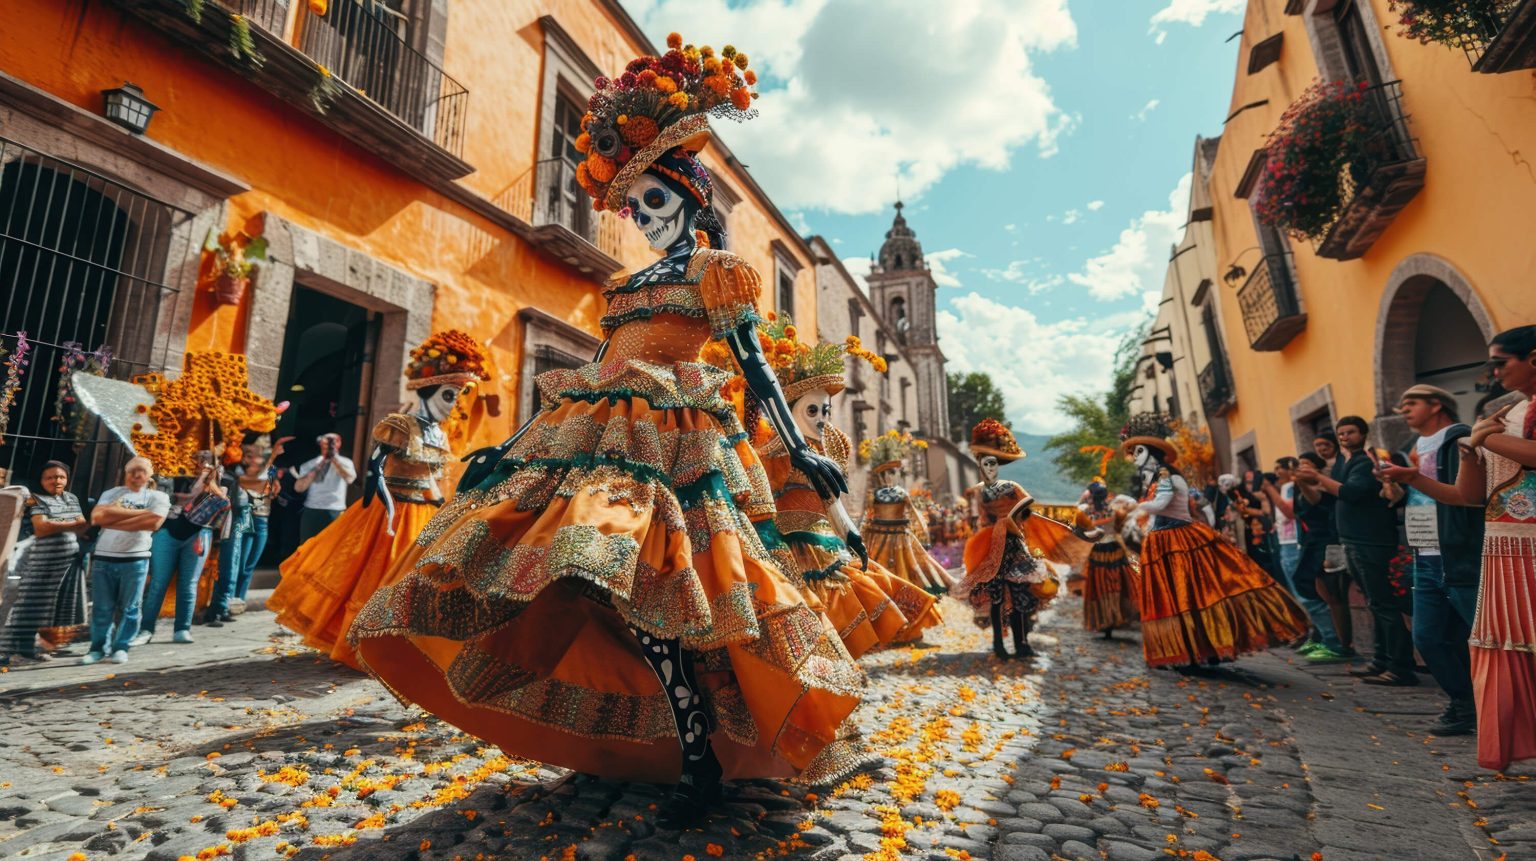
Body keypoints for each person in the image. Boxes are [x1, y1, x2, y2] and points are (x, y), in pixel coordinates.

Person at [350, 41, 862, 827]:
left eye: (656, 205)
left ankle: (698, 751)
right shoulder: (626, 287)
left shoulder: (717, 272)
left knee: (680, 590)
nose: (645, 224)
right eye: (636, 211)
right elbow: (595, 364)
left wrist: (798, 447)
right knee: (587, 568)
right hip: (593, 439)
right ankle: (670, 737)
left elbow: (755, 365)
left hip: (677, 447)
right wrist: (515, 445)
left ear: (692, 200)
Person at [267, 331, 490, 669]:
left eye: (457, 396)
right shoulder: (399, 425)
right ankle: (363, 645)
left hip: (422, 513)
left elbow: (431, 477)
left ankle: (398, 647)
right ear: (429, 391)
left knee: (414, 582)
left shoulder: (438, 435)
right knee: (378, 579)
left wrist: (445, 506)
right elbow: (376, 470)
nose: (454, 404)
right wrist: (386, 511)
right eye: (449, 395)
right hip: (391, 512)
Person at [742, 321, 940, 658]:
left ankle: (833, 669)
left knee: (841, 605)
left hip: (826, 542)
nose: (820, 418)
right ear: (789, 413)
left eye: (825, 410)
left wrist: (850, 534)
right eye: (811, 410)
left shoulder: (828, 450)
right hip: (784, 543)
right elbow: (759, 498)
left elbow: (831, 500)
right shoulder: (773, 454)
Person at [1121, 414, 1309, 668]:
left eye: (1139, 451)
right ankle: (1187, 650)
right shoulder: (1155, 480)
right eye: (1134, 452)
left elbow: (1164, 505)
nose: (1136, 457)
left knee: (1194, 596)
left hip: (1181, 540)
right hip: (1161, 543)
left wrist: (1135, 506)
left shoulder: (1169, 477)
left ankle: (1207, 648)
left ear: (1153, 452)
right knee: (1175, 598)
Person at [1448, 326, 1536, 771]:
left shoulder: (1499, 424)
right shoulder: (1507, 414)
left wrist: (1484, 438)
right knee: (1509, 649)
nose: (1494, 371)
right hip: (1503, 547)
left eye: (1501, 361)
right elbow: (1469, 495)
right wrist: (1470, 450)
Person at [1378, 384, 1483, 735]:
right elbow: (1413, 496)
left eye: (1412, 403)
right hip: (1424, 553)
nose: (1403, 409)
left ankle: (1499, 707)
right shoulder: (1411, 448)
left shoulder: (1458, 439)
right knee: (1427, 638)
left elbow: (1469, 495)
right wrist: (1394, 489)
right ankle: (1464, 703)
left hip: (1460, 553)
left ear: (1436, 404)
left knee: (1484, 637)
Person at [955, 420, 1092, 659]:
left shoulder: (1012, 487)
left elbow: (1028, 514)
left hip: (1013, 546)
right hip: (990, 548)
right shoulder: (977, 491)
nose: (989, 468)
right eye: (985, 464)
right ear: (979, 465)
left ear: (998, 465)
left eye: (993, 464)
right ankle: (999, 644)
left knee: (1021, 594)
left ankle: (1022, 643)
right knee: (996, 598)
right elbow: (978, 520)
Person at [1300, 416, 1416, 686]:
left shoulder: (1365, 462)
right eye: (1340, 433)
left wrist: (1317, 476)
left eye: (1350, 432)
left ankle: (1400, 665)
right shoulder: (1347, 462)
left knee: (1383, 604)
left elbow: (1350, 493)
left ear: (1363, 434)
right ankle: (1380, 659)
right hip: (1353, 539)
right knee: (1374, 604)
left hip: (1371, 540)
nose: (1344, 437)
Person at [81, 457, 169, 665]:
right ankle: (98, 648)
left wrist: (115, 518)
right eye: (132, 471)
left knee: (131, 608)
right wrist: (141, 516)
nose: (137, 475)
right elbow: (98, 518)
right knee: (102, 607)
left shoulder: (158, 496)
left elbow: (154, 522)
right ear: (125, 473)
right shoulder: (111, 494)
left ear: (150, 474)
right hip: (104, 556)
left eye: (141, 471)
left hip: (135, 558)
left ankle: (121, 646)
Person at [0, 461, 88, 663]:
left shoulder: (71, 499)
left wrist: (59, 524)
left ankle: (28, 646)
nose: (56, 480)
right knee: (23, 603)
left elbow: (82, 526)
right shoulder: (37, 499)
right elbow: (41, 528)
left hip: (63, 560)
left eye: (61, 477)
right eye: (50, 477)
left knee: (45, 607)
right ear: (42, 480)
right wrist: (70, 523)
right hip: (38, 558)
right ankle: (4, 648)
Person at [135, 451, 224, 646]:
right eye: (197, 455)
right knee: (158, 582)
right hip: (166, 531)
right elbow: (163, 497)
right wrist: (189, 496)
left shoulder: (215, 472)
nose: (200, 460)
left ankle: (182, 628)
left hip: (199, 533)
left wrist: (203, 478)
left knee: (189, 583)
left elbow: (216, 496)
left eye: (205, 457)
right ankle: (146, 629)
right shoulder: (167, 468)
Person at [862, 433, 954, 595]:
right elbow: (867, 515)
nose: (889, 477)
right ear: (881, 475)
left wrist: (922, 535)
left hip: (900, 536)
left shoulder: (901, 493)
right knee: (879, 567)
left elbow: (913, 513)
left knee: (907, 566)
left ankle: (908, 593)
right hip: (877, 536)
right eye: (886, 473)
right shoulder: (874, 494)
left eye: (892, 472)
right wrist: (862, 535)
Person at [1288, 452, 1352, 663]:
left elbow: (1317, 503)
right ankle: (1325, 637)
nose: (1302, 468)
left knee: (1330, 591)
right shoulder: (1301, 488)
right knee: (1313, 587)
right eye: (1300, 465)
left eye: (1307, 465)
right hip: (1312, 542)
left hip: (1329, 542)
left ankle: (1336, 642)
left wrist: (1304, 482)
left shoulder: (1325, 485)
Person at [1077, 481, 1140, 638]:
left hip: (1097, 552)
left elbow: (1082, 532)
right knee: (1116, 584)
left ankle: (1103, 621)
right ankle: (1114, 617)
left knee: (1099, 586)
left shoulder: (1086, 513)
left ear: (1091, 496)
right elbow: (1119, 528)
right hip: (1115, 550)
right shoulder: (1114, 511)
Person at [232, 436, 287, 610]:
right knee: (240, 563)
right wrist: (273, 456)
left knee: (250, 564)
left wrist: (274, 486)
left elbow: (271, 488)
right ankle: (231, 598)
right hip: (246, 517)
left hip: (263, 518)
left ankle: (239, 600)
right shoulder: (240, 471)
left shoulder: (269, 469)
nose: (258, 456)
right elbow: (253, 482)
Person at [293, 433, 355, 544]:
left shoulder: (346, 463)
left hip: (335, 510)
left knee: (331, 546)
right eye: (327, 440)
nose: (330, 444)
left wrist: (334, 460)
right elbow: (299, 488)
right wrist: (320, 464)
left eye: (333, 441)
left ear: (339, 443)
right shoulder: (310, 464)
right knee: (306, 546)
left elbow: (350, 479)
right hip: (311, 510)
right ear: (320, 442)